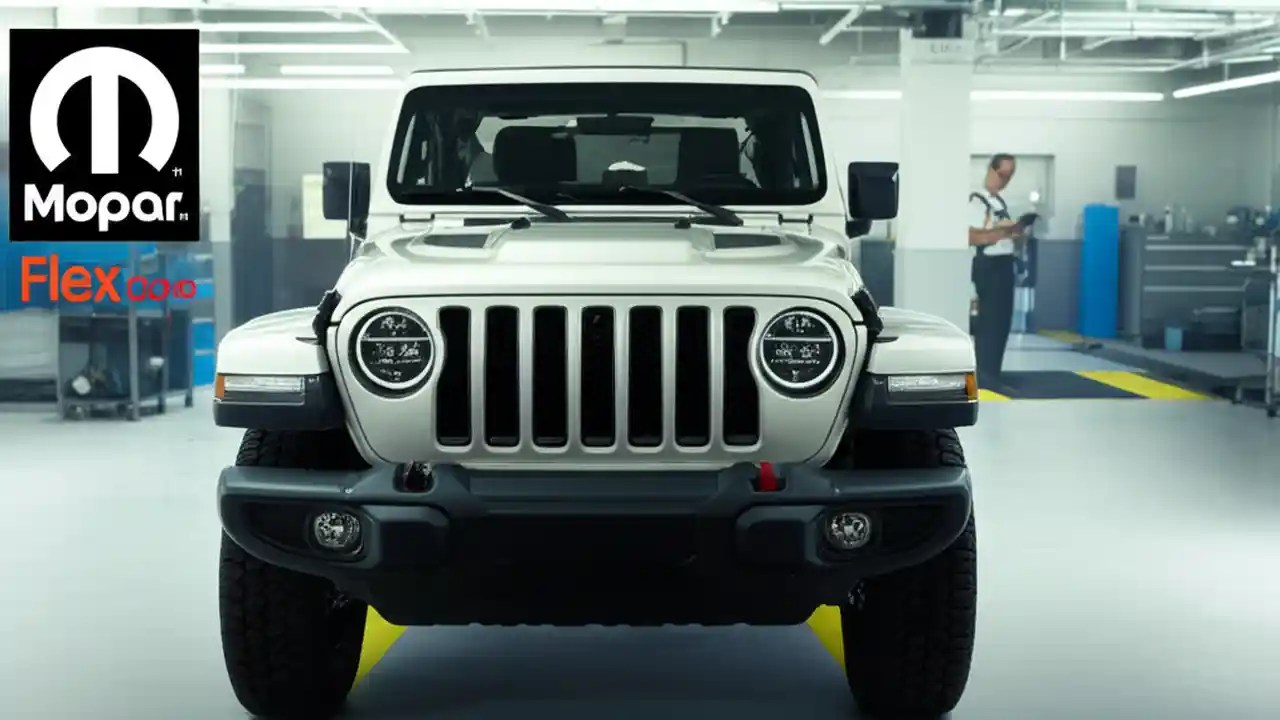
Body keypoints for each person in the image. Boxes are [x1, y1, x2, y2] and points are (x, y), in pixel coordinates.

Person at [968, 153, 1025, 385]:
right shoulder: (977, 201)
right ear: (991, 171)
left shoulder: (1000, 203)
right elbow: (972, 236)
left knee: (1002, 320)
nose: (1005, 180)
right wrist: (1003, 232)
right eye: (1002, 175)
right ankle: (984, 373)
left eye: (1010, 176)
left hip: (1004, 265)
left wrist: (1018, 233)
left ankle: (993, 371)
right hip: (988, 267)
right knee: (989, 321)